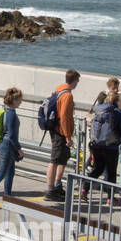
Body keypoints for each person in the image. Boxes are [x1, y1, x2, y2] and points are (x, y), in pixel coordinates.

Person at [84, 91, 121, 201]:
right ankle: (110, 198)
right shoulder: (118, 113)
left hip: (96, 145)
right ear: (116, 101)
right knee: (111, 172)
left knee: (97, 169)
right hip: (111, 147)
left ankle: (84, 189)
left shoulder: (98, 111)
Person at [44, 69, 80, 202]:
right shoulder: (67, 96)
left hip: (57, 130)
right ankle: (50, 189)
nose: (77, 83)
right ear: (74, 80)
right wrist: (68, 137)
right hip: (60, 132)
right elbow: (64, 117)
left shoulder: (58, 91)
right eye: (77, 81)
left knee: (62, 159)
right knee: (54, 160)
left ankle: (57, 185)